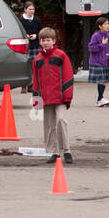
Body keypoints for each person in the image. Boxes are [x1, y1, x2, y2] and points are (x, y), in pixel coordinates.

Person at [30, 27, 74, 163]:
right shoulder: (37, 60)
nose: (46, 42)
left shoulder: (60, 56)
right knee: (50, 126)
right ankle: (55, 152)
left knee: (61, 120)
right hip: (46, 98)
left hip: (60, 97)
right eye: (43, 40)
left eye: (48, 40)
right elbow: (35, 81)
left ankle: (66, 150)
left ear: (54, 41)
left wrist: (67, 97)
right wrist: (36, 100)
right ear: (40, 42)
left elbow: (68, 76)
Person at [87, 16, 109, 106]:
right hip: (97, 62)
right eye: (105, 24)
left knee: (104, 81)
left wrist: (108, 59)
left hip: (104, 61)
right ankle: (100, 99)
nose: (107, 25)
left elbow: (108, 49)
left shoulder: (107, 35)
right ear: (100, 26)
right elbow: (91, 48)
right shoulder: (96, 36)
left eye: (108, 23)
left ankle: (100, 99)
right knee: (101, 80)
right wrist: (102, 44)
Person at [18, 1, 41, 88]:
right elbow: (19, 31)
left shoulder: (37, 20)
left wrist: (36, 35)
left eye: (33, 9)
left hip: (35, 45)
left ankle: (32, 85)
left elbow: (41, 31)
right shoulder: (21, 20)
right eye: (30, 9)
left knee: (34, 65)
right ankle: (24, 85)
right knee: (26, 65)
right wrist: (25, 35)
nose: (32, 11)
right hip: (25, 46)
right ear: (25, 10)